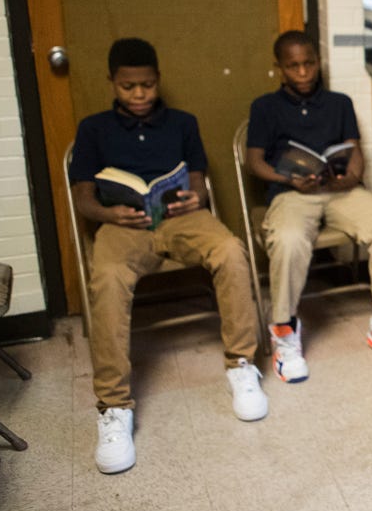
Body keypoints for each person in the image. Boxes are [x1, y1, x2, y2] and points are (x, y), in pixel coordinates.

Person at [69, 38, 267, 475]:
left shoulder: (182, 122)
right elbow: (83, 198)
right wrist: (109, 211)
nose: (139, 94)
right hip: (123, 225)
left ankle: (242, 364)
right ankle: (114, 406)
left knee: (231, 251)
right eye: (128, 87)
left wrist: (190, 199)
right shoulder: (93, 128)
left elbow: (198, 182)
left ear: (158, 81)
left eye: (147, 85)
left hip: (179, 219)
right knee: (106, 277)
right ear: (112, 84)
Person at [245, 30, 372, 381]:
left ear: (318, 61)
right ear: (279, 68)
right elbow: (254, 161)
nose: (303, 72)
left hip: (339, 189)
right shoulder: (264, 107)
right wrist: (287, 179)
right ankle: (284, 331)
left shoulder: (339, 102)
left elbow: (353, 150)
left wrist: (351, 175)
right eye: (294, 66)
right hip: (292, 193)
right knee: (289, 239)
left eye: (309, 63)